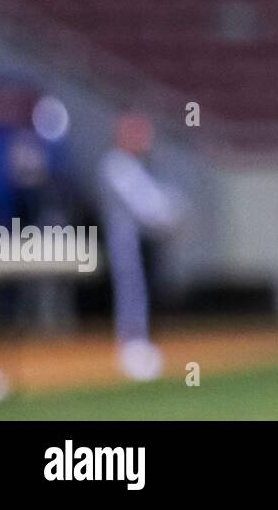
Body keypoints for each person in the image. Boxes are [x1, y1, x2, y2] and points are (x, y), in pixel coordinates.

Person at [97, 112, 181, 381]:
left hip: (140, 237)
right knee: (130, 288)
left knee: (140, 288)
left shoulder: (138, 165)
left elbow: (154, 199)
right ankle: (131, 341)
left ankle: (138, 338)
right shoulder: (116, 164)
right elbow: (144, 203)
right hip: (124, 237)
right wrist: (166, 216)